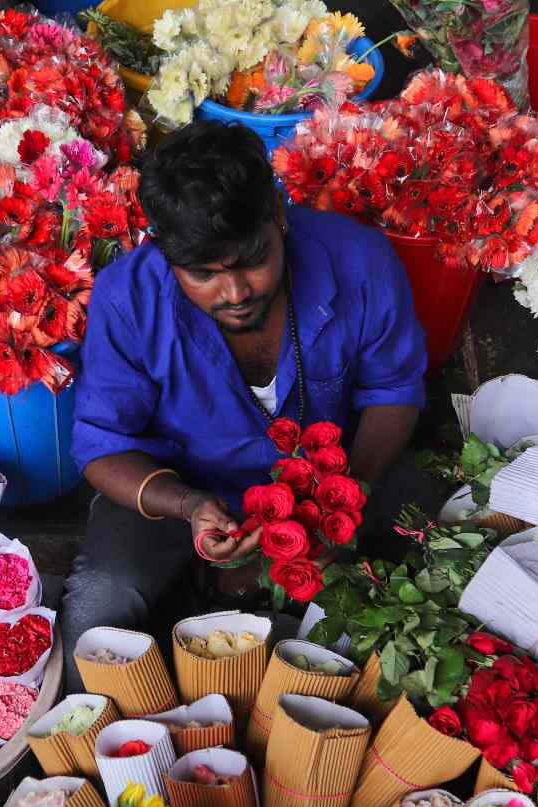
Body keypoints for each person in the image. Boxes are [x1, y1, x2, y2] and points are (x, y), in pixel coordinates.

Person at [61, 120, 439, 685]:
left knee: (386, 617)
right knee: (97, 614)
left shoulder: (359, 261)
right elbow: (102, 447)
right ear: (165, 256)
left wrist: (342, 499)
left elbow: (394, 391)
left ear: (278, 216)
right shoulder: (128, 297)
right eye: (202, 275)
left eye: (252, 260)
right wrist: (190, 506)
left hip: (332, 484)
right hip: (180, 489)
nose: (235, 293)